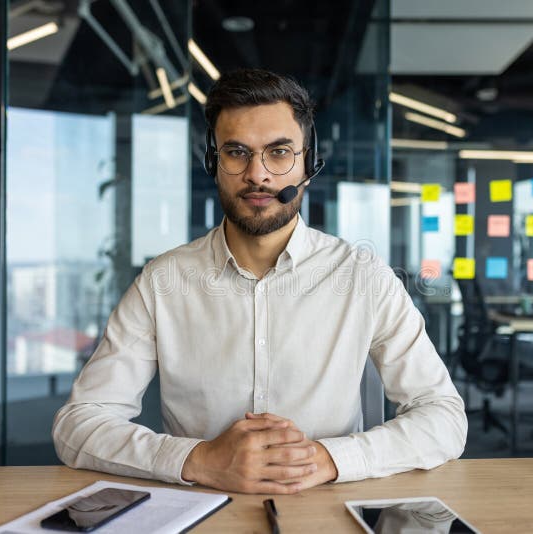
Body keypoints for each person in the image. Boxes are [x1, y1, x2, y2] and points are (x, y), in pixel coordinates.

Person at [53, 68, 467, 494]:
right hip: (201, 507)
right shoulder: (163, 282)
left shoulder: (364, 277)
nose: (258, 175)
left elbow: (444, 416)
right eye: (237, 152)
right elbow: (78, 424)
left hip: (324, 507)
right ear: (213, 162)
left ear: (308, 162)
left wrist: (326, 459)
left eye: (279, 152)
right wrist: (199, 460)